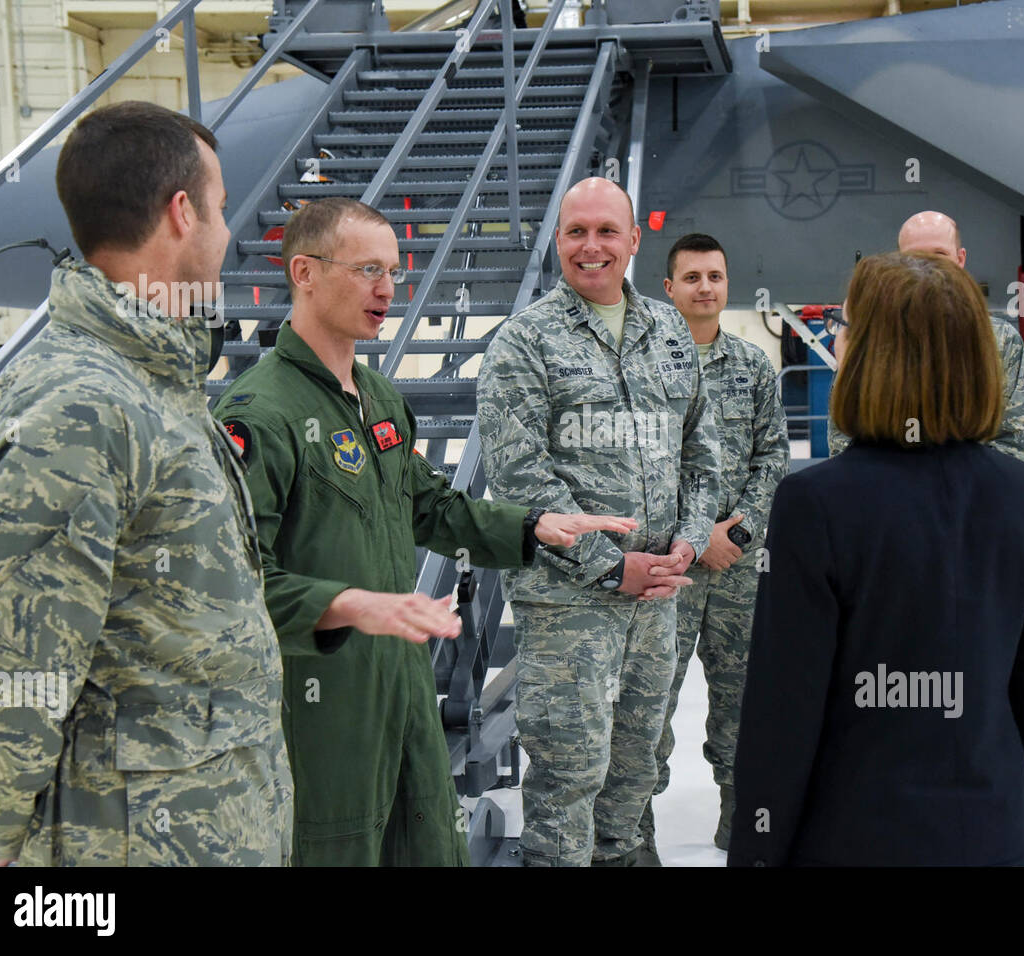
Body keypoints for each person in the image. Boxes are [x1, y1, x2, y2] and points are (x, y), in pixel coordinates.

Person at [212, 197, 632, 866]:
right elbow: (231, 584)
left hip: (403, 692)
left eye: (395, 272)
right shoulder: (258, 414)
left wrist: (534, 526)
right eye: (368, 269)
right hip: (322, 709)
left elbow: (431, 508)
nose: (387, 289)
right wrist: (347, 604)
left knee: (429, 845)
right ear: (305, 272)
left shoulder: (379, 400)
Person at [0, 101, 293, 866]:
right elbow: (11, 656)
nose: (226, 232)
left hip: (204, 824)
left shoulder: (157, 381)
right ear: (182, 213)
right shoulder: (81, 405)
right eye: (217, 209)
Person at [729, 252, 1024, 867]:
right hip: (992, 831)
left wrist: (756, 854)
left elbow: (783, 715)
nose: (837, 337)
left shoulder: (814, 505)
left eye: (846, 325)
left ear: (877, 353)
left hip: (855, 837)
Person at [477, 177, 721, 866]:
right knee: (567, 782)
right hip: (569, 608)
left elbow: (701, 447)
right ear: (558, 241)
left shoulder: (669, 329)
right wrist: (615, 567)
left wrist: (689, 539)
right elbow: (522, 480)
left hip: (658, 603)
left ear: (633, 240)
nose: (592, 246)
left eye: (607, 231)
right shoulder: (524, 344)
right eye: (576, 231)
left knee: (636, 775)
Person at [638, 233, 789, 863]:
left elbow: (773, 456)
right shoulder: (643, 367)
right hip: (667, 566)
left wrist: (740, 532)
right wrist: (695, 539)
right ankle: (632, 830)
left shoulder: (754, 366)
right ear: (668, 288)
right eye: (692, 277)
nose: (705, 287)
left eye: (716, 276)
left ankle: (743, 823)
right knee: (648, 700)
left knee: (745, 698)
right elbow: (636, 464)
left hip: (740, 569)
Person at [827, 211, 1024, 464]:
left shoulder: (999, 340)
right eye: (915, 258)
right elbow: (844, 439)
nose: (928, 268)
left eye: (939, 255)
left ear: (960, 259)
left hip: (972, 493)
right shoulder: (872, 333)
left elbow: (1014, 444)